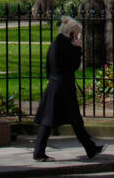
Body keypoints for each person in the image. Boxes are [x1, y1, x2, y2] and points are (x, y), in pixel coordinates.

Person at [33, 16, 105, 161]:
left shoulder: (55, 44)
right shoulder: (67, 46)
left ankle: (90, 147)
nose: (78, 37)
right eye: (77, 34)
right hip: (64, 87)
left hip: (54, 85)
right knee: (63, 120)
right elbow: (73, 67)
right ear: (72, 33)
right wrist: (78, 49)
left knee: (61, 120)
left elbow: (48, 67)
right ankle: (39, 152)